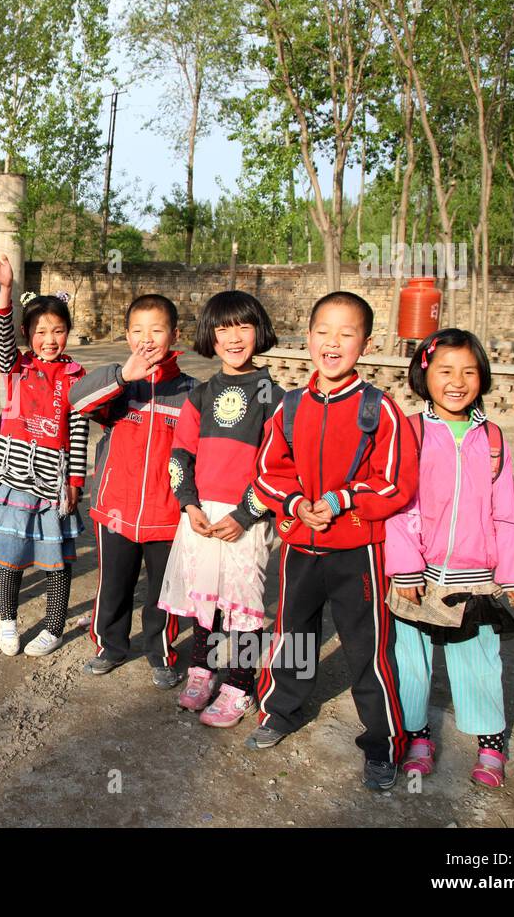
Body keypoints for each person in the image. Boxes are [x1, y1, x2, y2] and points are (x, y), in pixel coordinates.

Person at [250, 291, 417, 791]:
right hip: (300, 545)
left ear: (365, 343)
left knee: (367, 648)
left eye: (347, 334)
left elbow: (395, 482)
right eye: (324, 331)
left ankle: (383, 742)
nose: (333, 343)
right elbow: (267, 471)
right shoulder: (291, 407)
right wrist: (297, 504)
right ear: (308, 337)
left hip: (357, 551)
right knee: (294, 633)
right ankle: (281, 710)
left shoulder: (380, 410)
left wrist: (343, 500)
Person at [386, 328, 514, 789]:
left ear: (482, 376)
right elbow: (398, 503)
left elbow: (506, 508)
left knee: (480, 660)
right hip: (418, 572)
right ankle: (418, 737)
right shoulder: (409, 431)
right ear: (424, 374)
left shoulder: (491, 438)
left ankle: (491, 744)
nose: (457, 381)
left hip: (475, 576)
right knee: (411, 663)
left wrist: (513, 573)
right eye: (445, 370)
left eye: (468, 371)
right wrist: (406, 567)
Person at [160, 291, 283, 727]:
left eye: (243, 326)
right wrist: (188, 504)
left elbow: (278, 470)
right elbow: (180, 456)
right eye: (223, 327)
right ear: (209, 336)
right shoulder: (200, 394)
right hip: (201, 518)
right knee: (205, 602)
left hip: (245, 519)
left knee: (245, 607)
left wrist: (246, 515)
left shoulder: (275, 396)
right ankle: (202, 672)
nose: (233, 337)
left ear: (260, 331)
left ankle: (240, 684)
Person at [70, 294, 197, 688]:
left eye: (157, 330)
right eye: (138, 330)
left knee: (164, 592)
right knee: (114, 585)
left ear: (174, 334)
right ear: (127, 336)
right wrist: (124, 375)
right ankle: (110, 645)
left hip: (166, 515)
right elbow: (78, 402)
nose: (147, 339)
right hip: (115, 510)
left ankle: (160, 652)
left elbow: (199, 454)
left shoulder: (192, 391)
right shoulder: (118, 384)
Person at [0, 248, 88, 657]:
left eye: (58, 330)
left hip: (52, 488)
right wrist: (6, 288)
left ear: (67, 333)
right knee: (9, 559)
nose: (49, 339)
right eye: (41, 331)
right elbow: (0, 339)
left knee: (56, 562)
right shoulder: (16, 367)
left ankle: (54, 627)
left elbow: (78, 434)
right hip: (12, 483)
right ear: (27, 335)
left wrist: (75, 483)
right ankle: (8, 622)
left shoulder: (76, 376)